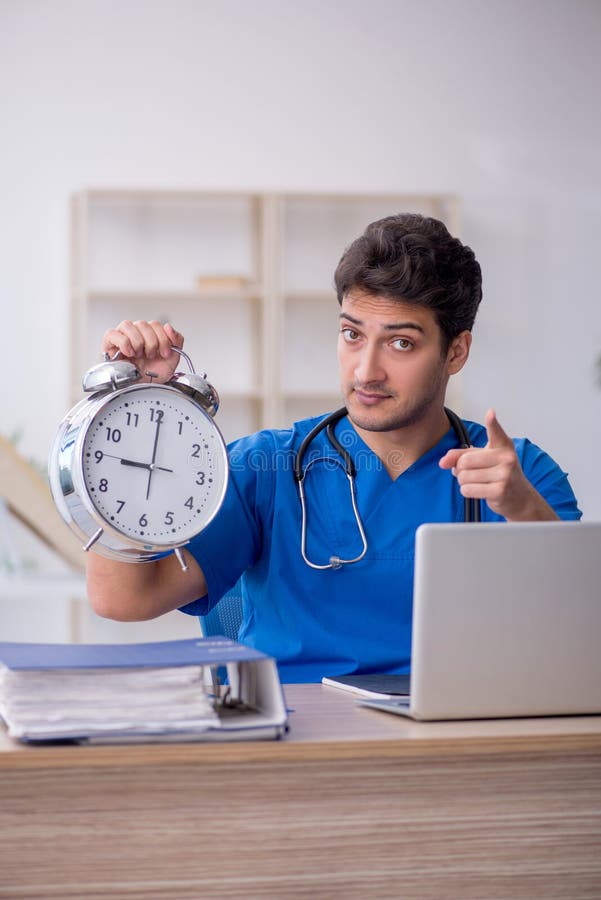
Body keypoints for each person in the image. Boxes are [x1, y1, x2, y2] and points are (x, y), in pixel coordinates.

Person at [87, 213, 581, 682]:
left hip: (451, 744)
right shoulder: (266, 467)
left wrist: (522, 511)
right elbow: (122, 599)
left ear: (456, 351)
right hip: (296, 742)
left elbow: (572, 627)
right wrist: (130, 407)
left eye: (401, 343)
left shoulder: (518, 477)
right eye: (351, 334)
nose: (366, 370)